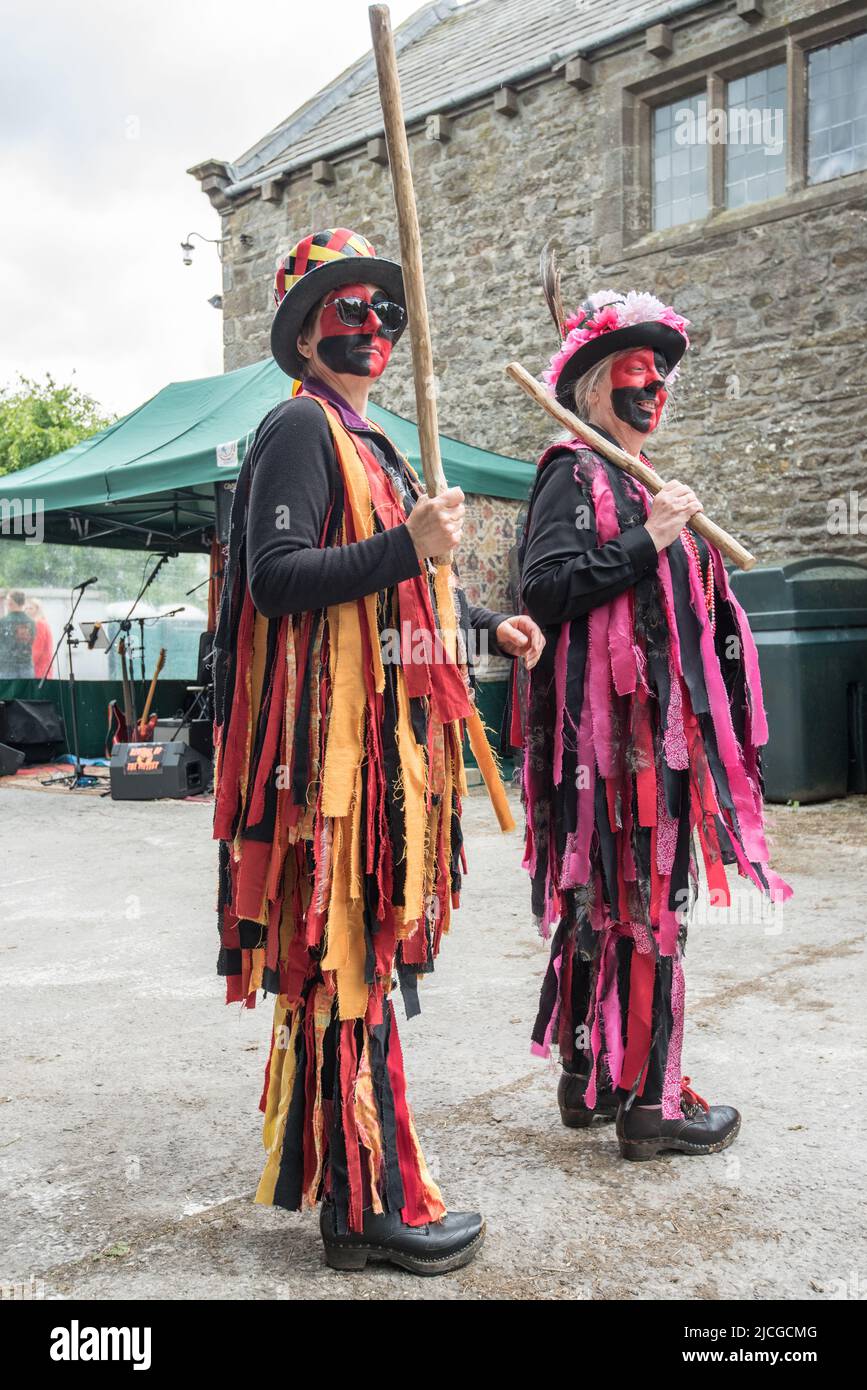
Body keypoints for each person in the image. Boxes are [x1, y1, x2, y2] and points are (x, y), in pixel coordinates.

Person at [212, 228, 543, 1273]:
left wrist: (484, 622)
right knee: (344, 970)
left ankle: (355, 1206)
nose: (372, 328)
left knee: (347, 978)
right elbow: (279, 576)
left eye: (385, 312)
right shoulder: (301, 429)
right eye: (349, 310)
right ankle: (368, 1206)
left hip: (379, 765)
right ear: (305, 332)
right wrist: (412, 544)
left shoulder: (369, 442)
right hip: (331, 772)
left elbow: (406, 591)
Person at [508, 286, 791, 1160]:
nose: (652, 389)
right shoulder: (572, 470)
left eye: (662, 378)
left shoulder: (632, 479)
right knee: (645, 906)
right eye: (635, 372)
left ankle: (588, 1081)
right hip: (610, 750)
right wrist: (653, 538)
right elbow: (545, 592)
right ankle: (652, 1107)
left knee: (612, 903)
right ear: (590, 386)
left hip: (655, 738)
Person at [0, 589, 36, 678]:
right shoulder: (31, 622)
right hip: (26, 666)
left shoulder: (3, 622)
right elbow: (32, 641)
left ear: (11, 603)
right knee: (26, 692)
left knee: (7, 692)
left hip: (7, 668)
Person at [25, 599, 55, 679]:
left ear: (38, 610)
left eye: (30, 608)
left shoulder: (39, 624)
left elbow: (37, 650)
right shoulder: (40, 623)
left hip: (39, 671)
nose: (27, 611)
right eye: (26, 608)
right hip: (41, 670)